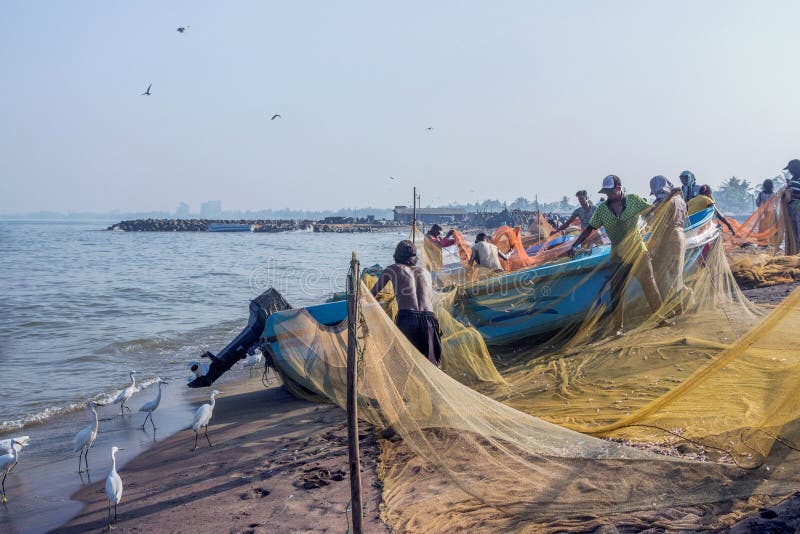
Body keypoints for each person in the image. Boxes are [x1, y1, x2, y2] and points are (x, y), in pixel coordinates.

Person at [570, 175, 666, 335]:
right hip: (618, 255)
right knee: (617, 290)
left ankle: (660, 318)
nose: (608, 195)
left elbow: (651, 211)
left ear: (619, 189)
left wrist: (661, 203)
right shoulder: (602, 209)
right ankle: (617, 328)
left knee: (649, 284)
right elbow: (589, 228)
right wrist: (575, 243)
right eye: (606, 192)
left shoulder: (634, 201)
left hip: (638, 251)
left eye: (610, 192)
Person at [371, 240, 442, 366]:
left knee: (403, 364)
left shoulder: (392, 269)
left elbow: (372, 294)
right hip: (429, 319)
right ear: (414, 257)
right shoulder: (426, 272)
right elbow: (429, 297)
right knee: (431, 366)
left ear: (396, 255)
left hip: (407, 318)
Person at [648, 175, 688, 309]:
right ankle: (681, 304)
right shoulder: (679, 199)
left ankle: (671, 307)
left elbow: (658, 225)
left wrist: (653, 248)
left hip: (668, 238)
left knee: (664, 275)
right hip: (681, 237)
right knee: (677, 273)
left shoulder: (663, 201)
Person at [784, 159, 800, 253]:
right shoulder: (792, 180)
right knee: (792, 230)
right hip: (791, 209)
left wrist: (792, 195)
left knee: (798, 230)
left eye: (790, 169)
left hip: (798, 207)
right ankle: (793, 251)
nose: (789, 171)